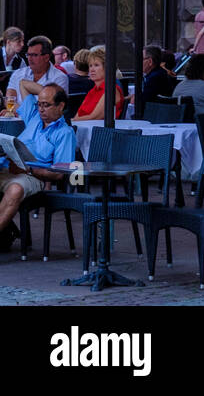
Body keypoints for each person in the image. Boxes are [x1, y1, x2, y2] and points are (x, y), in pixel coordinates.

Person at [0, 85, 76, 247]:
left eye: (46, 105)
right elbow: (24, 84)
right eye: (39, 104)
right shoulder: (34, 117)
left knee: (15, 190)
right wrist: (45, 93)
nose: (41, 109)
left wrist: (28, 169)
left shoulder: (65, 133)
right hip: (8, 167)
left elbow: (59, 174)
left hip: (32, 175)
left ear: (60, 106)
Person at [2, 36, 68, 114]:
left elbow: (54, 109)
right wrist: (24, 113)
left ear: (46, 57)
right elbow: (9, 100)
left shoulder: (59, 78)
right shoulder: (18, 73)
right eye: (28, 55)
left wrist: (21, 112)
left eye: (34, 55)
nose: (29, 58)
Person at [73, 48, 123, 122]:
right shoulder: (92, 91)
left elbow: (95, 117)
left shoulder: (111, 90)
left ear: (107, 68)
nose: (92, 70)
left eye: (96, 65)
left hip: (101, 132)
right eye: (90, 66)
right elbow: (79, 114)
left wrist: (71, 121)